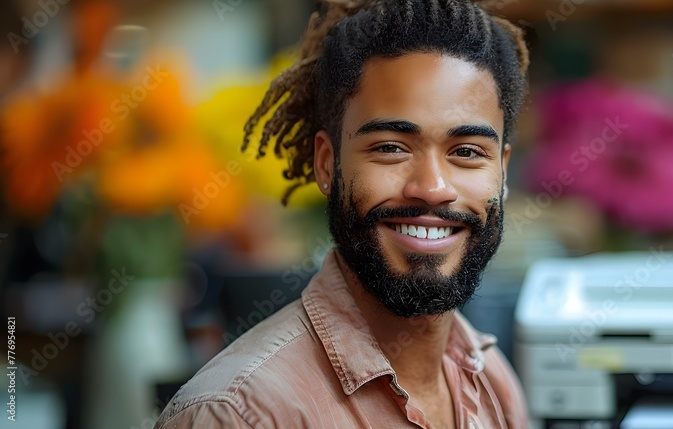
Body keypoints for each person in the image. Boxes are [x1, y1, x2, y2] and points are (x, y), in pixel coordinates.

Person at [154, 0, 530, 427]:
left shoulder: (493, 380)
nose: (432, 189)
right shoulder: (237, 414)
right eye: (390, 147)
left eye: (466, 152)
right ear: (327, 164)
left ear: (501, 171)